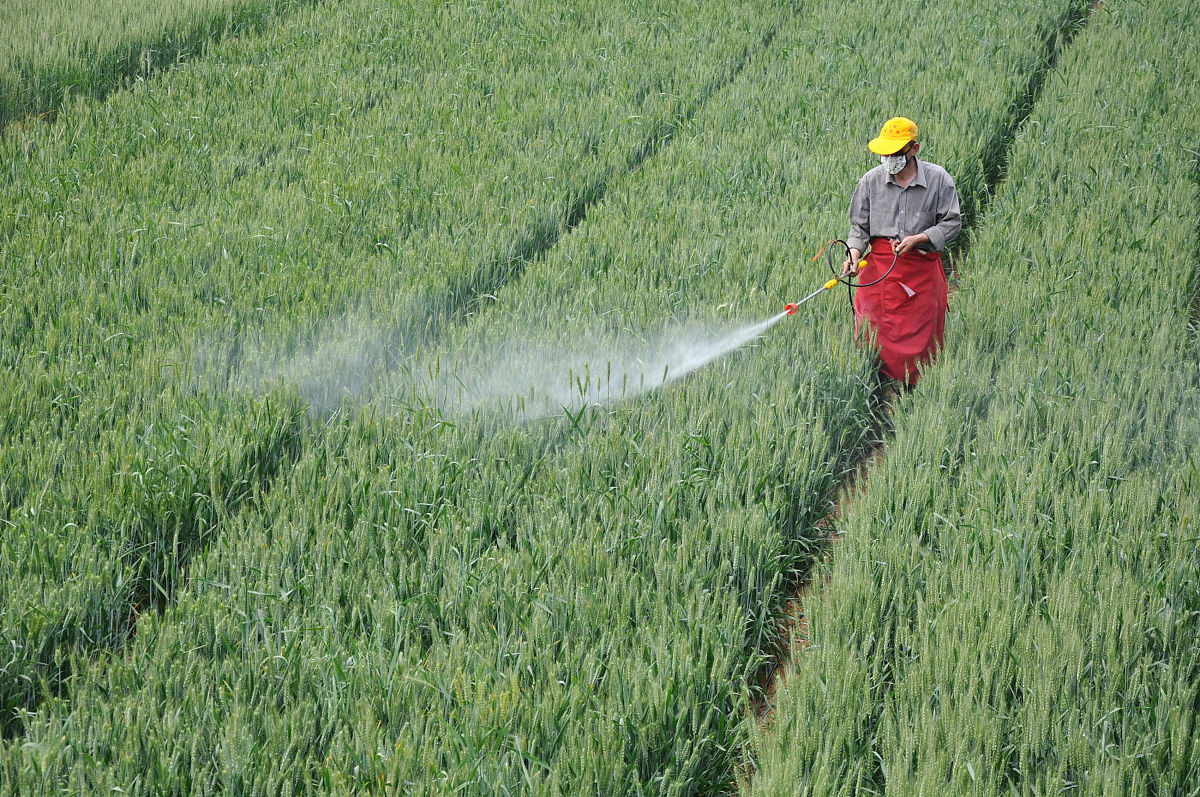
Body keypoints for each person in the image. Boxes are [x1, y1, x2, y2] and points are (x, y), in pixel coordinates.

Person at [842, 116, 961, 386]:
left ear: (914, 149)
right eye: (885, 153)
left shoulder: (938, 180)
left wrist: (919, 238)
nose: (889, 159)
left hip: (920, 267)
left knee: (921, 333)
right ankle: (877, 386)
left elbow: (952, 223)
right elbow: (859, 228)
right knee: (873, 327)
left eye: (896, 153)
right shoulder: (870, 182)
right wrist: (854, 254)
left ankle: (919, 387)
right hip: (879, 271)